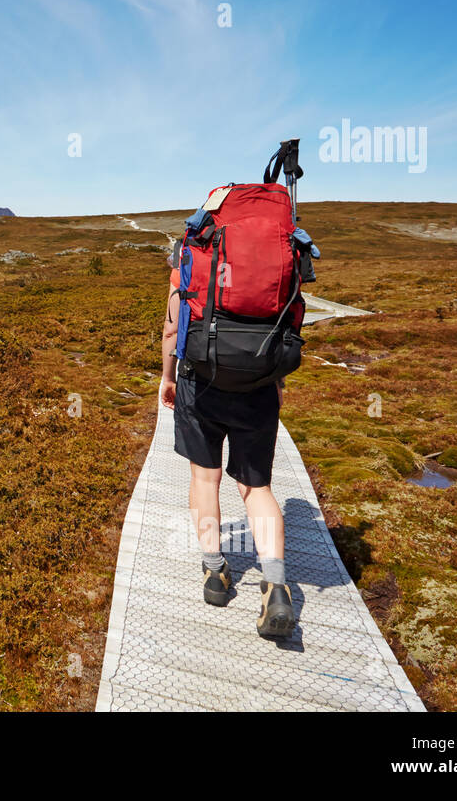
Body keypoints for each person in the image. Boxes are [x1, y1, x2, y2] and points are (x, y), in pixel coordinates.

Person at [158, 259, 297, 639]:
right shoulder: (282, 246)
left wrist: (168, 377)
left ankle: (215, 573)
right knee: (256, 488)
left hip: (199, 380)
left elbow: (173, 327)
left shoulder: (195, 242)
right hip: (258, 384)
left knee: (205, 479)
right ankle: (275, 585)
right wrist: (276, 380)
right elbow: (288, 320)